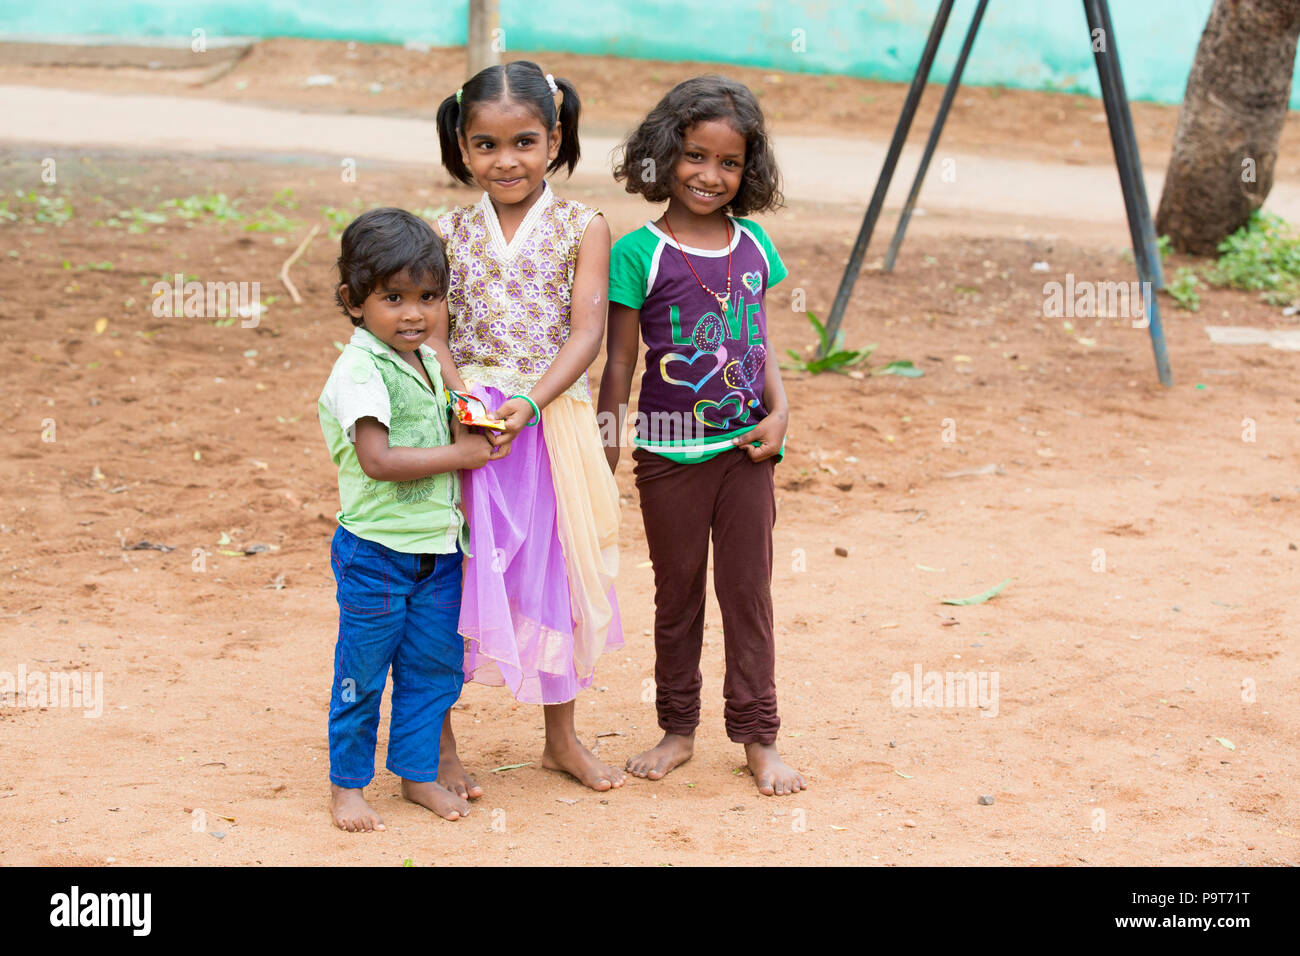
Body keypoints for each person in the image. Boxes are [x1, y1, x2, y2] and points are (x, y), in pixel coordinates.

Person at [599, 75, 808, 796]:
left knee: (748, 594)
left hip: (749, 454)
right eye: (694, 156)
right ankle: (678, 729)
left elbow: (761, 341)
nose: (710, 175)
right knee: (678, 594)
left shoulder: (753, 244)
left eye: (728, 163)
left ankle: (758, 736)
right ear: (664, 155)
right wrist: (609, 438)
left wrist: (780, 413)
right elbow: (620, 358)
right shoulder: (638, 252)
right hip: (668, 458)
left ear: (748, 170)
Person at [427, 61, 625, 793]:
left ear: (555, 138)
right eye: (484, 144)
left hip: (547, 427)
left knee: (555, 575)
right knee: (449, 576)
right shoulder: (444, 229)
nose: (504, 160)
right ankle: (439, 744)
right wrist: (460, 398)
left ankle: (561, 739)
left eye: (524, 142)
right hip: (466, 432)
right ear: (461, 143)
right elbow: (434, 332)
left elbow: (586, 333)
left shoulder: (584, 225)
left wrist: (531, 403)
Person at [318, 207, 502, 831]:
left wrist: (475, 422)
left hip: (440, 550)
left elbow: (453, 408)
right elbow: (377, 459)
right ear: (352, 300)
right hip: (376, 554)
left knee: (433, 669)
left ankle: (419, 772)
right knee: (361, 674)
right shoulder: (361, 369)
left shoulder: (422, 357)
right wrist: (463, 454)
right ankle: (348, 786)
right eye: (392, 297)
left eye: (428, 297)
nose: (414, 313)